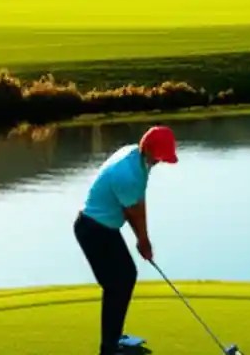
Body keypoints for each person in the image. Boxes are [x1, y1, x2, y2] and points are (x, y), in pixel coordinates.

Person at [74, 125, 179, 355]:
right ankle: (109, 349)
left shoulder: (137, 157)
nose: (161, 161)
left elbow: (138, 202)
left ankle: (114, 339)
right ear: (149, 150)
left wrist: (143, 239)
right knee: (117, 285)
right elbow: (133, 211)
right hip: (93, 230)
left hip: (104, 228)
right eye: (160, 157)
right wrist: (143, 241)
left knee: (126, 277)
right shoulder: (128, 173)